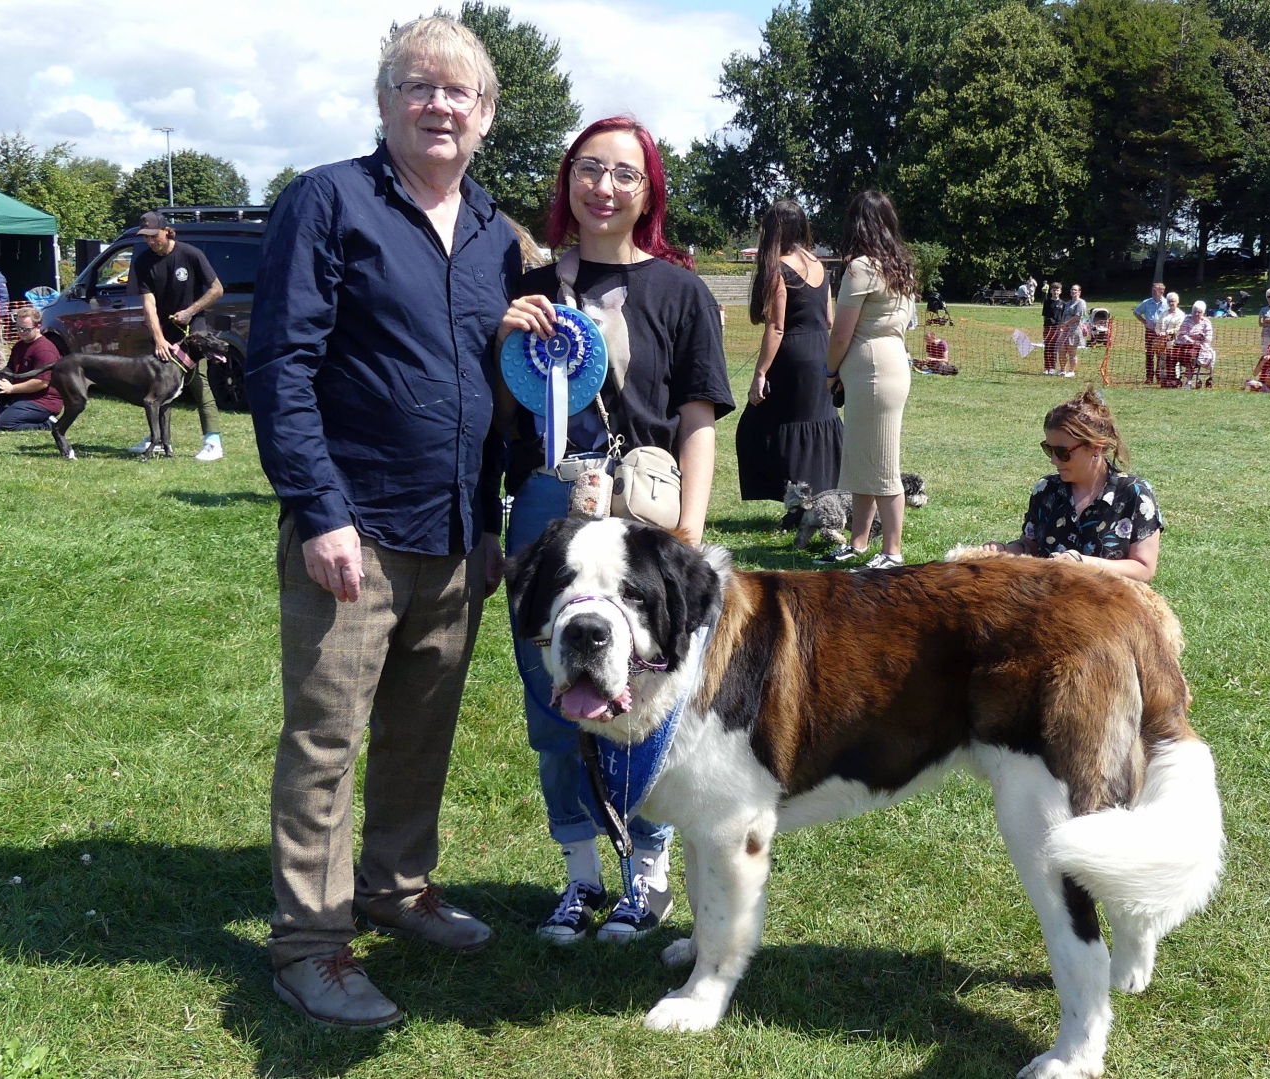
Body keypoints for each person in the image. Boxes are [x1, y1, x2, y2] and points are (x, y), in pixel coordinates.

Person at [245, 14, 519, 1031]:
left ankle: (397, 885)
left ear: (488, 116)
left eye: (460, 93)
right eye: (419, 85)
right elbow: (282, 366)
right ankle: (308, 944)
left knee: (421, 731)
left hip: (454, 535)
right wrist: (319, 511)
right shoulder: (328, 201)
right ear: (384, 100)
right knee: (327, 738)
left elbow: (498, 387)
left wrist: (489, 515)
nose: (439, 104)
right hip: (351, 531)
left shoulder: (497, 233)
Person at [499, 115, 733, 944]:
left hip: (643, 517)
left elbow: (699, 416)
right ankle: (579, 878)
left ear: (649, 191)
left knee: (647, 701)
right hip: (545, 508)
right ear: (568, 181)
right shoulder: (527, 283)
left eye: (624, 174)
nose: (605, 186)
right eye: (590, 169)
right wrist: (505, 333)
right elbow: (498, 405)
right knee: (555, 703)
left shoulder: (681, 291)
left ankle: (647, 875)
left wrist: (690, 535)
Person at [818, 190, 918, 570]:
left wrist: (829, 372)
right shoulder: (901, 267)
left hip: (873, 370)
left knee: (882, 463)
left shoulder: (861, 267)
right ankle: (859, 541)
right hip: (889, 362)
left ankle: (892, 551)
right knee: (862, 458)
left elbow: (841, 333)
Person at [976, 389, 1162, 583]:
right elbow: (1029, 547)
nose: (1054, 461)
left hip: (1110, 607)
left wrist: (1081, 563)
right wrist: (1004, 551)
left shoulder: (1135, 492)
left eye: (1062, 452)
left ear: (1095, 446)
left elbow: (1143, 569)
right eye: (1049, 450)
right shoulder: (1046, 489)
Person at [736, 198, 841, 500]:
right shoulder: (818, 263)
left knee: (753, 427)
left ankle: (797, 499)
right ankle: (818, 497)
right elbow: (830, 318)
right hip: (821, 350)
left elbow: (776, 326)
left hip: (792, 356)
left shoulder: (777, 269)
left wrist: (760, 374)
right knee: (817, 425)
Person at [130, 210, 228, 460]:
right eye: (146, 237)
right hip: (164, 332)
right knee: (159, 387)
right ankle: (160, 439)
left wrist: (190, 312)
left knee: (198, 383)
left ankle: (213, 441)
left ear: (167, 231)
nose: (151, 241)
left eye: (154, 236)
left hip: (194, 332)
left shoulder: (190, 254)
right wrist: (159, 338)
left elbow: (217, 289)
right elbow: (148, 305)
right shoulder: (142, 261)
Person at [0, 307, 63, 431]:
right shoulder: (19, 345)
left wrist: (12, 389)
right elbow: (11, 369)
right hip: (21, 397)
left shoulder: (44, 349)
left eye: (26, 329)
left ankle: (50, 423)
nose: (21, 332)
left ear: (38, 326)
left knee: (2, 424)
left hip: (43, 401)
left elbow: (42, 383)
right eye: (18, 327)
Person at [1170, 298, 1214, 388]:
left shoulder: (1206, 322)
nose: (1196, 314)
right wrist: (1190, 340)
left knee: (1190, 355)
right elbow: (1182, 333)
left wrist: (1198, 341)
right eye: (1195, 311)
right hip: (1184, 344)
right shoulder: (1187, 319)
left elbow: (1208, 338)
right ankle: (1172, 379)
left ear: (1203, 313)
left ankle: (1188, 381)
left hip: (1198, 346)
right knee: (1171, 354)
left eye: (1199, 312)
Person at [1134, 281, 1168, 383]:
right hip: (1150, 332)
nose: (1153, 291)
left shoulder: (1167, 303)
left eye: (1156, 290)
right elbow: (1136, 312)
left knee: (1161, 355)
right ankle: (1149, 377)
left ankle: (1159, 376)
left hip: (1161, 333)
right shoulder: (1147, 302)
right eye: (1152, 290)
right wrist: (1144, 321)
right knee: (1149, 354)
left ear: (1162, 291)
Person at [1055, 283, 1085, 378]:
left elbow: (1077, 317)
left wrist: (1066, 323)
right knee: (1062, 349)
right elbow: (1063, 315)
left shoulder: (1081, 303)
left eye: (1075, 290)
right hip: (1065, 329)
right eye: (1072, 289)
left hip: (1074, 330)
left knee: (1072, 351)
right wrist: (1062, 324)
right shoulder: (1068, 303)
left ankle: (1071, 371)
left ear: (1079, 292)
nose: (1073, 291)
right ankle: (1062, 370)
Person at [1041, 280, 1063, 375]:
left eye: (1057, 290)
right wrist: (1045, 325)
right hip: (1047, 327)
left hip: (1057, 327)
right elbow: (1044, 316)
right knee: (1047, 347)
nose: (1055, 292)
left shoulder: (1063, 303)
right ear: (1051, 291)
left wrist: (1061, 327)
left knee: (1054, 348)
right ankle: (1047, 367)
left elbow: (1063, 317)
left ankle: (1053, 367)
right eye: (1054, 290)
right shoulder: (1047, 302)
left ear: (1060, 291)